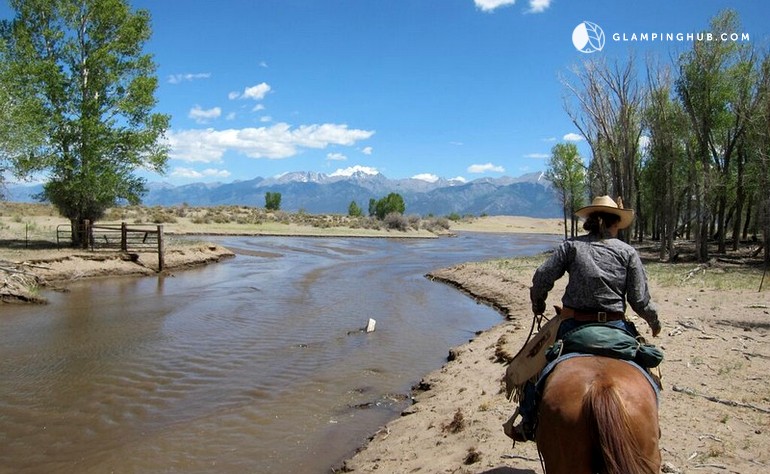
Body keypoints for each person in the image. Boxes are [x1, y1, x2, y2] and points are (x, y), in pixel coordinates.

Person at [509, 195, 662, 443]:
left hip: (573, 325)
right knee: (649, 374)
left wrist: (538, 304)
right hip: (616, 326)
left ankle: (528, 422)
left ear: (590, 221)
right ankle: (652, 426)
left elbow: (542, 277)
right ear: (615, 223)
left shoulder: (571, 247)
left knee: (534, 370)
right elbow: (639, 301)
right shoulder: (627, 252)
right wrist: (654, 323)